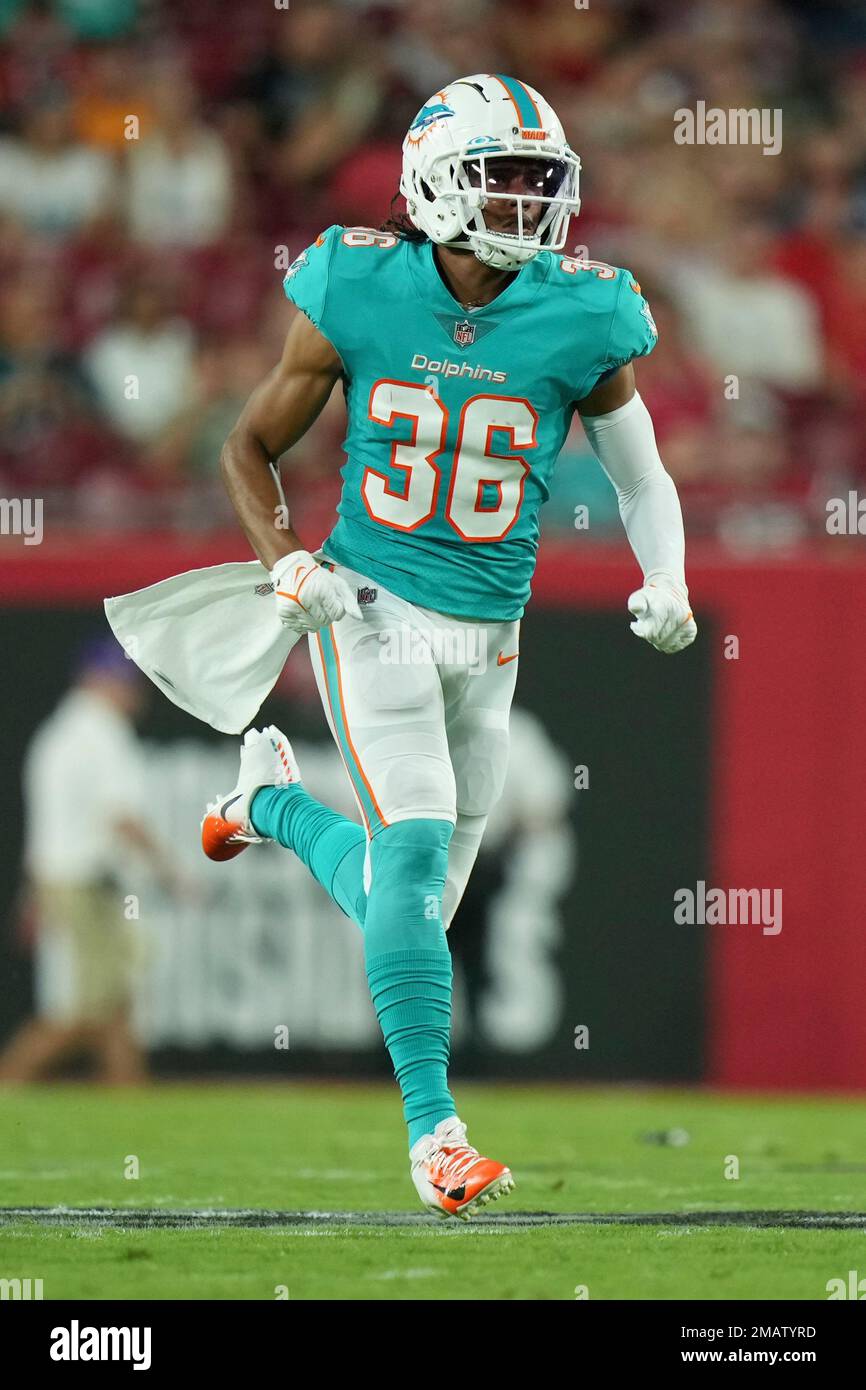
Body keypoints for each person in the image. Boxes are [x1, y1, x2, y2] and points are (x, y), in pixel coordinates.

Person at [202, 74, 697, 1219]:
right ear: (432, 182)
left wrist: (665, 575)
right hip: (368, 606)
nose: (527, 201)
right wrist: (286, 559)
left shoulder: (585, 311)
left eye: (541, 179)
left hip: (491, 635)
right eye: (502, 176)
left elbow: (641, 478)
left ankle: (270, 804)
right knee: (415, 859)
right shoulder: (357, 282)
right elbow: (247, 444)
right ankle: (437, 1139)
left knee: (406, 895)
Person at [0, 638, 178, 1083]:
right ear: (98, 679)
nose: (135, 692)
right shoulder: (102, 730)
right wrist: (170, 871)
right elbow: (122, 819)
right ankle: (9, 1080)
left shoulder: (57, 733)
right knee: (87, 1009)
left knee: (113, 1002)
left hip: (62, 881)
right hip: (85, 884)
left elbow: (47, 829)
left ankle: (130, 1102)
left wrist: (33, 896)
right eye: (126, 681)